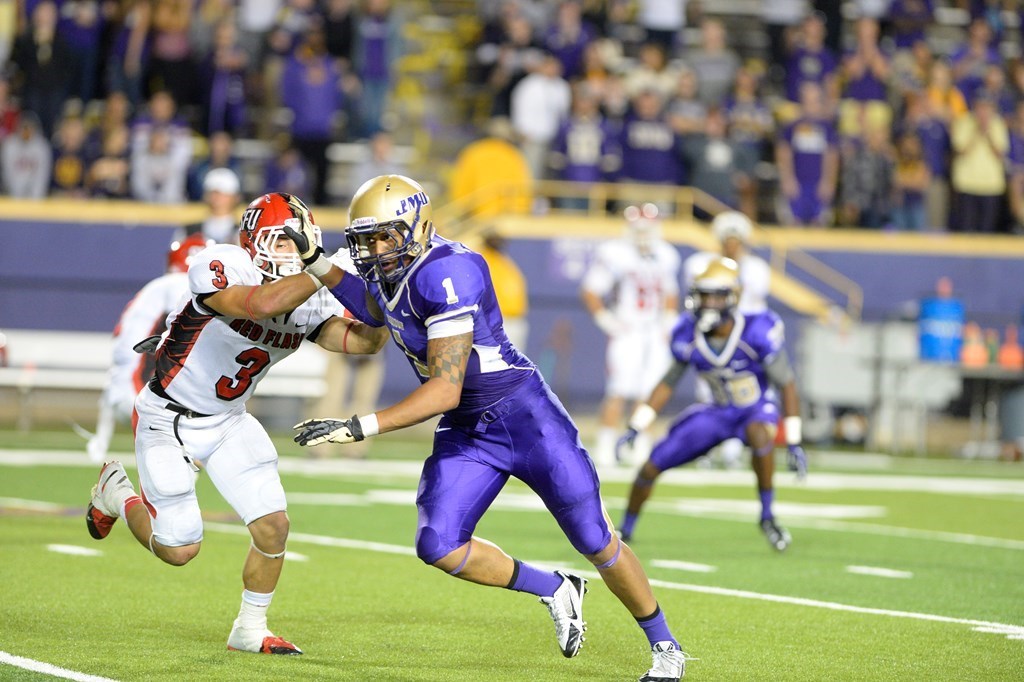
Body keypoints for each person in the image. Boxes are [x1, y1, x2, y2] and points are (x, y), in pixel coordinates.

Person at [292, 175, 689, 681]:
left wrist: (358, 425)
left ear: (416, 225)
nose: (374, 249)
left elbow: (443, 390)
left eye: (384, 236)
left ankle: (666, 646)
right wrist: (318, 263)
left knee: (595, 538)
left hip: (524, 418)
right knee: (438, 543)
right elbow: (371, 308)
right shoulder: (392, 270)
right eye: (365, 239)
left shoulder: (449, 271)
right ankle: (555, 588)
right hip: (466, 428)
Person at [84, 192, 389, 655]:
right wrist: (321, 269)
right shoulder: (221, 265)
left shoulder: (310, 294)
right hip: (169, 417)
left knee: (273, 526)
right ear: (252, 241)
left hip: (228, 420)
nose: (290, 252)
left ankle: (250, 628)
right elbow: (262, 305)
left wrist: (378, 294)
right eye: (280, 242)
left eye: (297, 243)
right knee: (178, 548)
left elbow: (363, 343)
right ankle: (115, 491)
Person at [617, 257, 808, 552]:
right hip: (717, 412)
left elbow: (786, 382)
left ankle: (768, 515)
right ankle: (624, 529)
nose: (710, 303)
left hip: (754, 409)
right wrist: (636, 426)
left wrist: (794, 440)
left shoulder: (757, 329)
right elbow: (668, 382)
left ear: (733, 297)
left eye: (718, 295)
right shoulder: (686, 332)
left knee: (759, 433)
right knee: (652, 466)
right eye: (705, 295)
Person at [86, 233, 213, 464]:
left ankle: (99, 445)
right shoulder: (183, 286)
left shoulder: (156, 286)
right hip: (140, 395)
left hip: (116, 390)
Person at [581, 203, 681, 468]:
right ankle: (605, 445)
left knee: (649, 392)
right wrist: (608, 321)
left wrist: (668, 325)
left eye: (648, 229)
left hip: (654, 330)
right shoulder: (615, 253)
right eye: (639, 229)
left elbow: (671, 294)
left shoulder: (666, 254)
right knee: (619, 390)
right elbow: (591, 290)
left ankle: (638, 444)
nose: (643, 234)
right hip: (628, 329)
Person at [682, 211, 771, 469]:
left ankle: (733, 448)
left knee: (744, 394)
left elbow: (757, 306)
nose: (731, 244)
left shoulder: (755, 268)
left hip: (744, 339)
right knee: (709, 393)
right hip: (713, 335)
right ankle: (706, 446)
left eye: (736, 239)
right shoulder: (702, 264)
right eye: (727, 238)